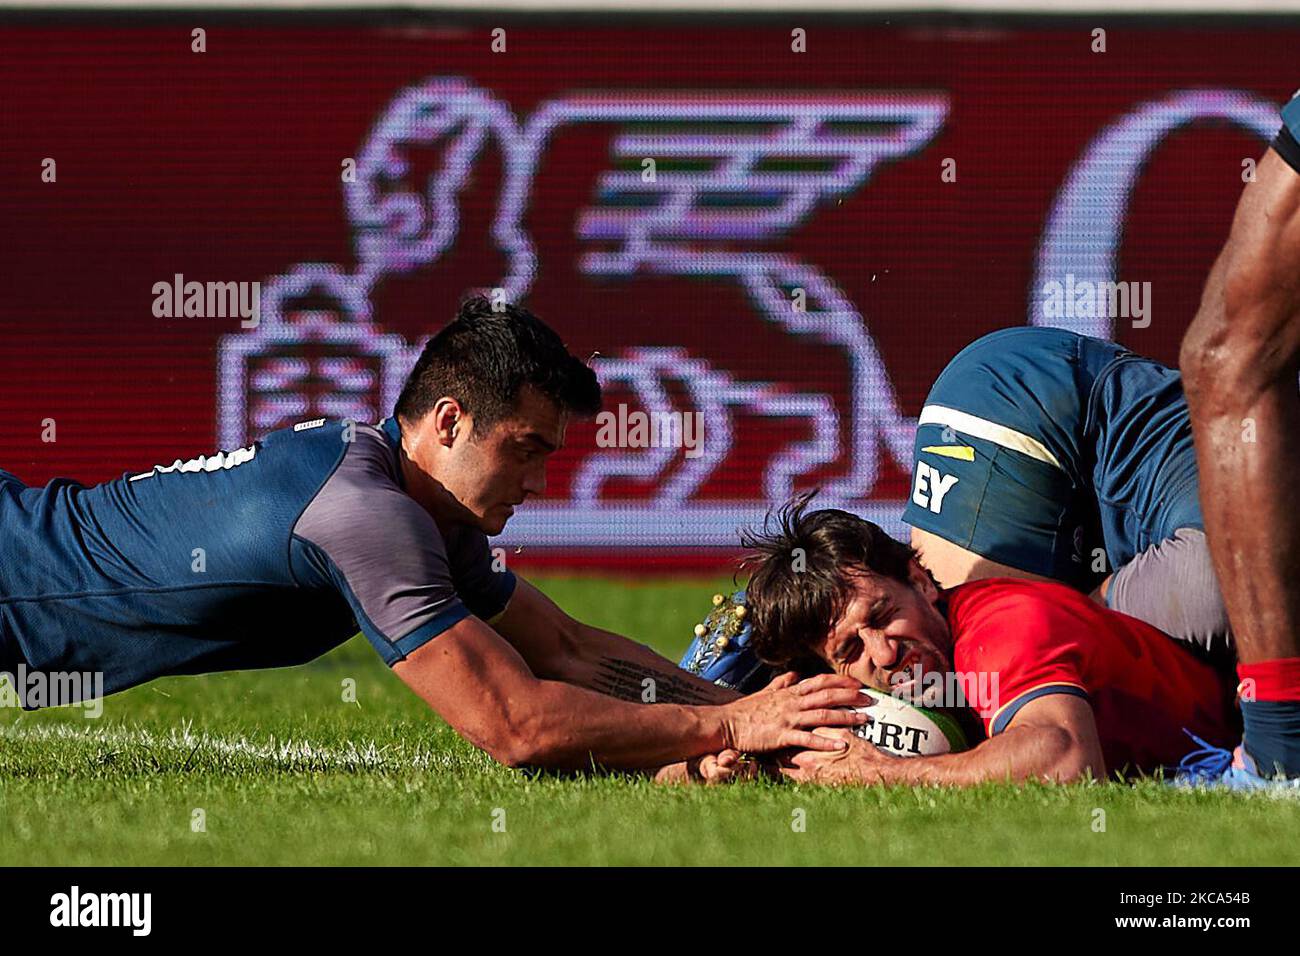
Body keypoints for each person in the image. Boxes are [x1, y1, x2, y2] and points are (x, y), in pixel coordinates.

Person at [0, 296, 868, 771]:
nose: (537, 482)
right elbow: (516, 724)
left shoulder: (410, 498)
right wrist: (726, 730)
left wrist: (746, 710)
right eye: (523, 450)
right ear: (448, 421)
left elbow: (561, 648)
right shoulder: (367, 516)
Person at [737, 495, 1238, 786]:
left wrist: (884, 774)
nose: (885, 653)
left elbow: (1062, 758)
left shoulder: (1000, 631)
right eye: (851, 651)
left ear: (922, 583)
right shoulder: (930, 660)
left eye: (885, 616)